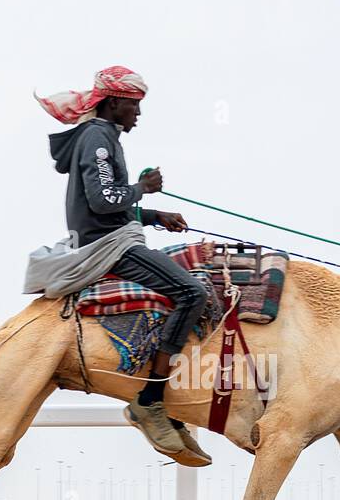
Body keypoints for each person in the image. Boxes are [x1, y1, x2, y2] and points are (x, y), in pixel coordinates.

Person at [37, 66, 212, 466]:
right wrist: (143, 189)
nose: (138, 114)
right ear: (115, 103)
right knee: (192, 292)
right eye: (134, 105)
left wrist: (152, 215)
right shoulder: (98, 138)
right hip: (108, 247)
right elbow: (103, 201)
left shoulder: (102, 136)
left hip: (112, 237)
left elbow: (106, 204)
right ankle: (150, 402)